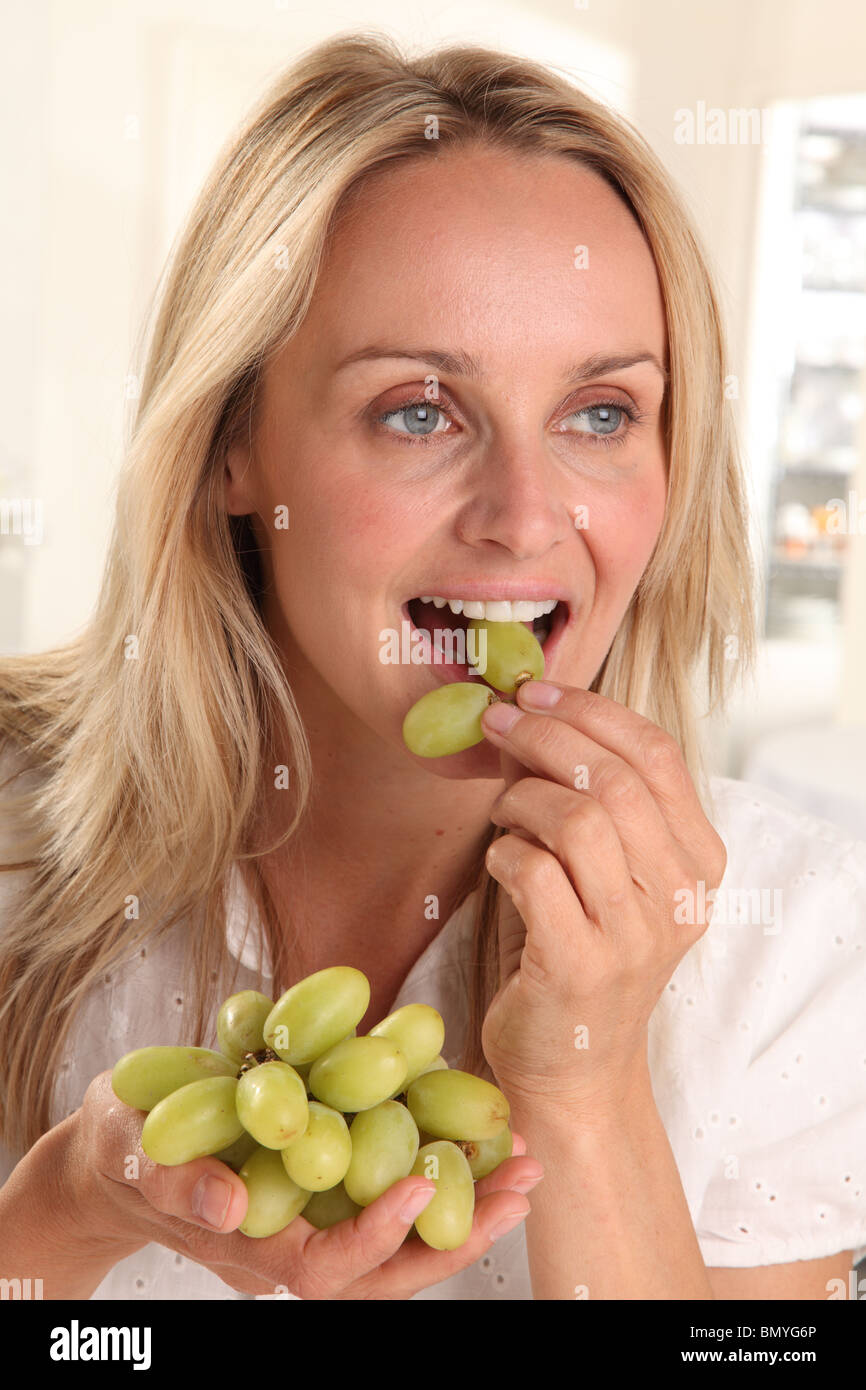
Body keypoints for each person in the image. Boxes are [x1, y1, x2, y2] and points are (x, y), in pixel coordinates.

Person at [1, 31, 864, 1302]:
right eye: (418, 409)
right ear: (233, 446)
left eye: (600, 412)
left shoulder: (786, 931)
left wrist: (585, 1077)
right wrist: (64, 1217)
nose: (524, 515)